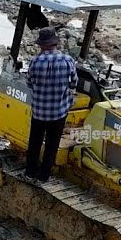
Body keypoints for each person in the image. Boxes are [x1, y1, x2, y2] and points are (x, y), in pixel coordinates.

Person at [25, 27, 77, 182]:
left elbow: (29, 82)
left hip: (39, 112)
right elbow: (74, 82)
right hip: (59, 113)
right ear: (55, 43)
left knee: (34, 144)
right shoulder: (68, 60)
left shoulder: (35, 61)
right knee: (51, 146)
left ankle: (29, 174)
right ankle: (43, 177)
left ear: (42, 45)